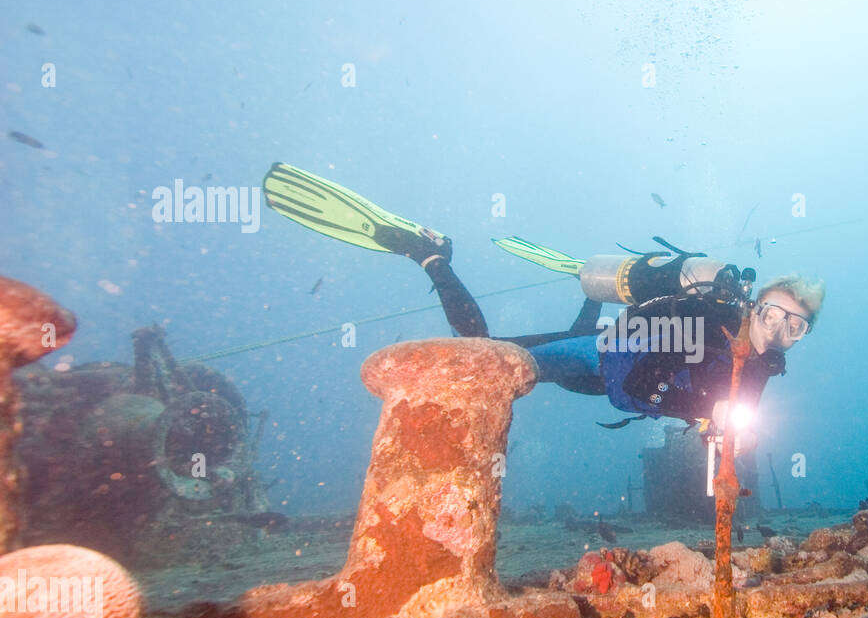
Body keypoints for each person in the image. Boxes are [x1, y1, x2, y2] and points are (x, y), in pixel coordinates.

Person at [262, 163, 824, 450]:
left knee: (541, 354)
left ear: (802, 335)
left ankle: (586, 296)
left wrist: (712, 422)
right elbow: (633, 378)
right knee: (485, 359)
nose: (777, 328)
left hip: (609, 370)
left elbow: (708, 404)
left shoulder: (763, 368)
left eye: (795, 325)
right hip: (601, 356)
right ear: (755, 303)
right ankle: (431, 256)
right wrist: (691, 407)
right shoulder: (705, 321)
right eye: (772, 311)